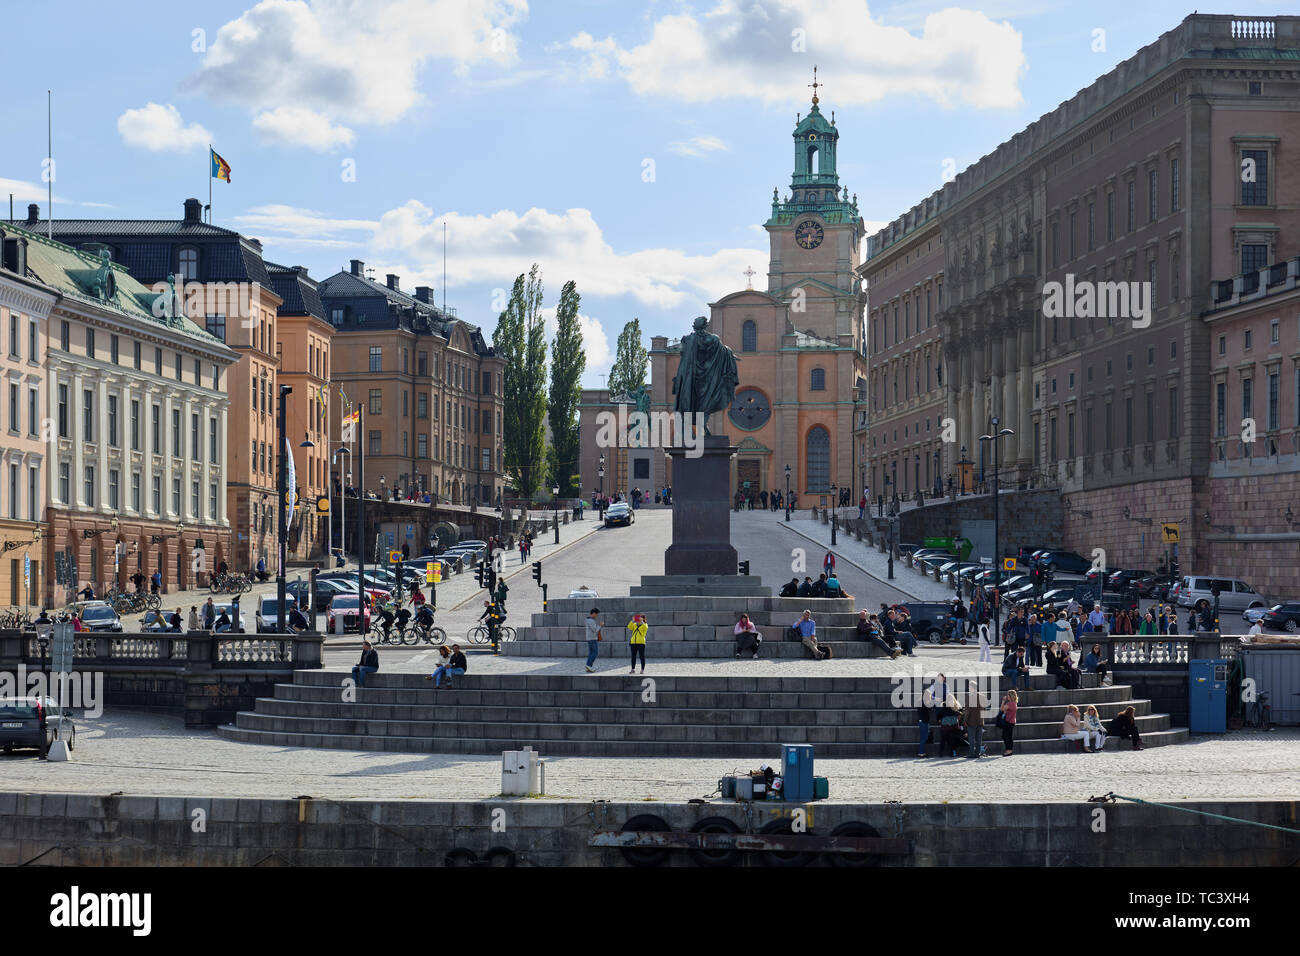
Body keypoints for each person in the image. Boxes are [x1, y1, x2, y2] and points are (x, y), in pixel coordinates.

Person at [964, 685, 985, 758]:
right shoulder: (982, 696)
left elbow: (968, 710)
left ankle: (971, 753)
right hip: (980, 720)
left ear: (972, 688)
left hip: (972, 720)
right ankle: (977, 753)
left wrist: (965, 720)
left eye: (969, 687)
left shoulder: (969, 696)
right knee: (979, 738)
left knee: (971, 738)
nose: (968, 688)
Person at [999, 690, 1018, 756]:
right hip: (1012, 721)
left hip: (1008, 722)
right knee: (1009, 737)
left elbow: (1001, 709)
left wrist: (1003, 701)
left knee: (1005, 736)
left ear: (1010, 696)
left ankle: (1008, 750)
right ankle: (1009, 750)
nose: (1007, 696)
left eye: (1008, 695)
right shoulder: (1014, 703)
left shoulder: (1010, 704)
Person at [585, 607, 603, 672]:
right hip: (592, 639)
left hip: (590, 638)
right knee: (595, 653)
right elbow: (595, 630)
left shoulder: (588, 620)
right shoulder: (591, 621)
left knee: (591, 653)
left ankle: (588, 666)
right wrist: (600, 625)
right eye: (596, 614)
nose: (597, 616)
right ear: (594, 613)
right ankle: (589, 665)